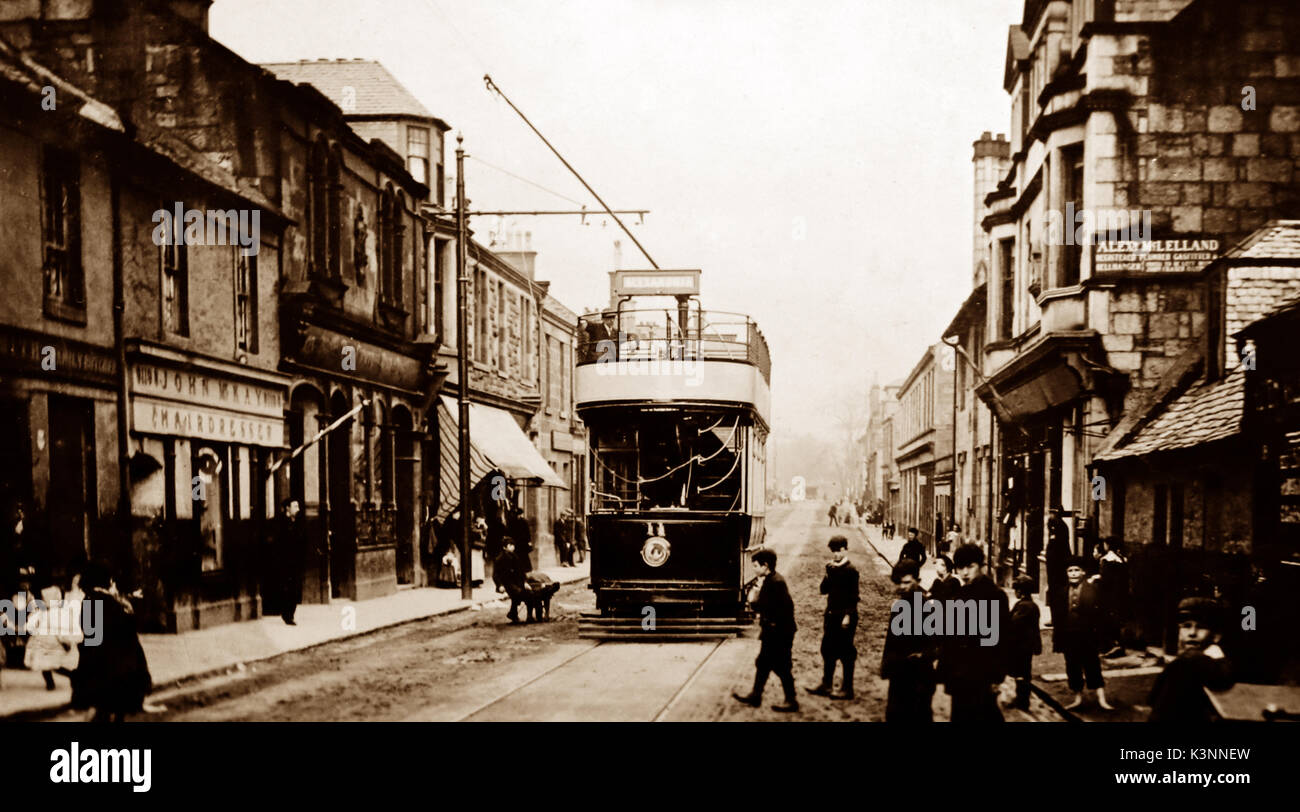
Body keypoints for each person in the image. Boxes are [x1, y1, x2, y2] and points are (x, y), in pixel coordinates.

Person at [70, 561, 152, 723]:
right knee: (114, 706)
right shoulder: (108, 602)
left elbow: (90, 634)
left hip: (99, 662)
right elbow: (127, 625)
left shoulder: (89, 601)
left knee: (101, 707)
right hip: (116, 664)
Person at [939, 543, 1009, 722]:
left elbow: (1000, 639)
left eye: (970, 567)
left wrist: (996, 675)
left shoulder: (994, 595)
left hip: (981, 672)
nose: (965, 573)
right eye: (960, 567)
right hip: (960, 673)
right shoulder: (960, 594)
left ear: (981, 566)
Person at [1147, 597, 1234, 722]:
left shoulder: (1199, 662)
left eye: (1201, 627)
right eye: (1186, 626)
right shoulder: (1185, 661)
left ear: (1216, 636)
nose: (1192, 633)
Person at [733, 548, 798, 712]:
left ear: (765, 566)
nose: (754, 568)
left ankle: (791, 700)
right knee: (762, 663)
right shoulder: (770, 580)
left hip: (780, 633)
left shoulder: (776, 583)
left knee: (781, 666)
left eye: (756, 565)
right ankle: (756, 695)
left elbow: (778, 608)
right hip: (772, 631)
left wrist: (754, 596)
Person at [881, 559, 937, 721]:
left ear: (917, 581)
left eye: (907, 582)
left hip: (919, 676)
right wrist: (887, 666)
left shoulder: (928, 607)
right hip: (899, 674)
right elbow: (891, 640)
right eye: (899, 583)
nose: (902, 587)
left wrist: (923, 655)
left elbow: (937, 643)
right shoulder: (900, 605)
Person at [1058, 556, 1113, 710]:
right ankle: (1077, 698)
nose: (1074, 574)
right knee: (1072, 666)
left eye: (1077, 570)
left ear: (1083, 573)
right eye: (1070, 571)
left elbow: (1101, 614)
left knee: (1092, 664)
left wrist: (1101, 636)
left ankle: (1102, 699)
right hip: (1069, 634)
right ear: (1066, 573)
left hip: (1088, 634)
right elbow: (1058, 617)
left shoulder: (1093, 590)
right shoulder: (1062, 592)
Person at [807, 536, 858, 699]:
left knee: (845, 652)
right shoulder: (831, 568)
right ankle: (826, 684)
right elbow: (823, 590)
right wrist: (827, 574)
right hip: (831, 615)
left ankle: (847, 689)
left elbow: (854, 596)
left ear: (845, 550)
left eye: (839, 550)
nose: (836, 554)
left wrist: (848, 616)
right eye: (833, 551)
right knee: (827, 649)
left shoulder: (851, 570)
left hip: (845, 616)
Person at [1007, 575, 1041, 712]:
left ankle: (1023, 701)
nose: (1015, 592)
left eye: (1016, 589)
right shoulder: (1027, 604)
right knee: (1021, 673)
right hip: (1023, 645)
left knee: (1022, 674)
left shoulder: (1025, 606)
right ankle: (1021, 698)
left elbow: (1014, 624)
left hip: (1022, 646)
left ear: (1021, 591)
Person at [274, 498, 309, 625]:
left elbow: (303, 540)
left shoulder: (299, 522)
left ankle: (291, 614)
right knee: (286, 588)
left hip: (296, 561)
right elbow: (278, 543)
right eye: (295, 506)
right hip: (284, 562)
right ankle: (286, 615)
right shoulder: (281, 523)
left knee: (295, 588)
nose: (298, 509)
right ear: (288, 508)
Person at [1095, 537, 1130, 657]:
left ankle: (1109, 646)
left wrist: (1097, 578)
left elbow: (1105, 580)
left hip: (1108, 595)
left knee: (1106, 620)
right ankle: (1118, 644)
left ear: (1108, 545)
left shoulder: (1106, 560)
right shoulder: (1122, 559)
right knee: (1117, 619)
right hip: (1120, 594)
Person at [1044, 506, 1071, 635]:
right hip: (1053, 568)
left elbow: (1060, 549)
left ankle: (1058, 618)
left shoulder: (1061, 527)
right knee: (1053, 592)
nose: (1050, 516)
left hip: (1058, 568)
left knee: (1058, 593)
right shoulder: (1053, 526)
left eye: (1053, 513)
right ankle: (1055, 618)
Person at [493, 538, 529, 623]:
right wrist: (500, 585)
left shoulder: (515, 556)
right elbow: (495, 575)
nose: (512, 547)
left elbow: (521, 571)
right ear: (504, 547)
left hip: (516, 582)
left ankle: (513, 613)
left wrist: (525, 581)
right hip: (506, 583)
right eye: (510, 545)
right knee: (518, 592)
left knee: (525, 592)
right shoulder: (499, 559)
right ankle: (513, 613)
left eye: (513, 545)